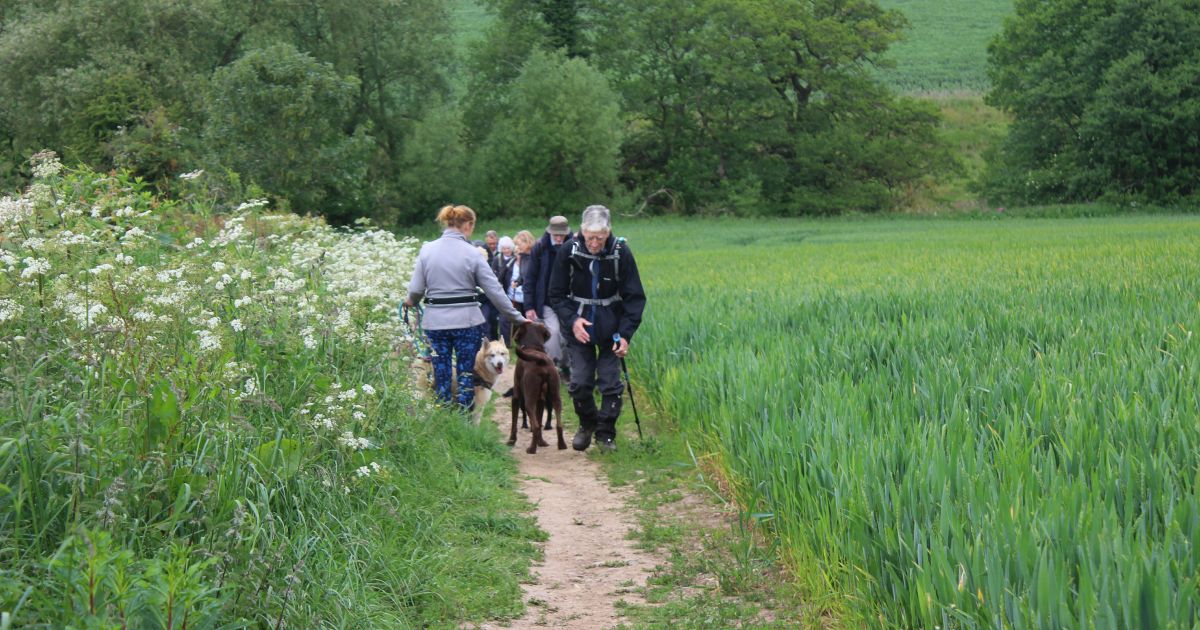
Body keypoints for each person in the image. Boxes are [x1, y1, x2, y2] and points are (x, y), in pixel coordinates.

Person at [405, 205, 526, 412]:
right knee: (466, 376)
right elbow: (494, 291)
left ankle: (442, 417)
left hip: (435, 324)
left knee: (441, 373)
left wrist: (410, 301)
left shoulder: (427, 249)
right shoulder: (473, 253)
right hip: (467, 323)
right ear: (469, 225)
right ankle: (463, 421)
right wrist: (518, 318)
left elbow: (416, 290)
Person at [548, 205, 646, 452]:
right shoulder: (568, 251)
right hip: (578, 327)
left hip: (611, 327)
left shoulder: (620, 252)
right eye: (590, 237)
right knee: (580, 383)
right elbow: (556, 295)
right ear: (581, 232)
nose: (594, 243)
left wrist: (625, 335)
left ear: (608, 233)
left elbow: (634, 297)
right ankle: (587, 424)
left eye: (599, 238)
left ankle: (606, 434)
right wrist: (572, 320)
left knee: (610, 383)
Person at [523, 215, 572, 369]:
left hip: (569, 300)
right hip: (546, 301)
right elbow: (530, 278)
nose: (559, 238)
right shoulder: (540, 247)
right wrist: (529, 306)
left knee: (568, 336)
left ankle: (566, 368)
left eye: (561, 235)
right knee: (553, 334)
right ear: (550, 233)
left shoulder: (574, 245)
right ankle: (552, 367)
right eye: (556, 235)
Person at [490, 235, 517, 345]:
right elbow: (493, 272)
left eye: (508, 248)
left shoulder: (515, 259)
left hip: (511, 291)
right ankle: (502, 341)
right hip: (500, 291)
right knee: (500, 319)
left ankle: (508, 341)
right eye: (504, 248)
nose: (506, 250)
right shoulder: (497, 258)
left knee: (507, 318)